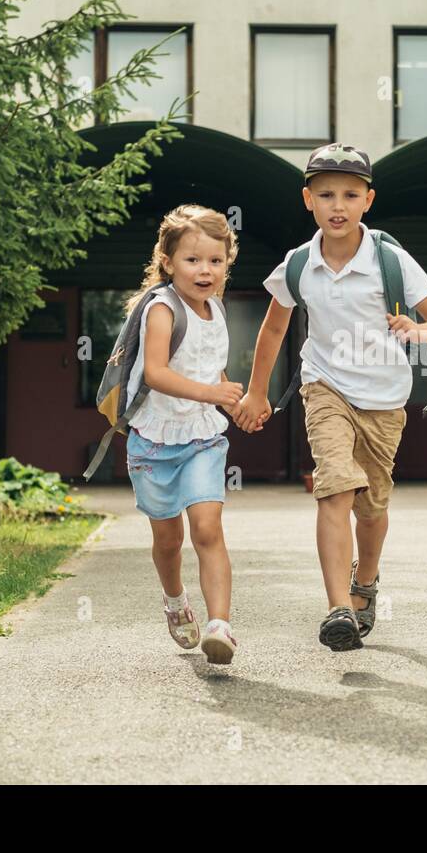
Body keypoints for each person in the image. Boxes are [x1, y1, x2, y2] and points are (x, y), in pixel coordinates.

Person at [234, 144, 427, 651]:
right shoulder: (299, 264)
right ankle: (338, 608)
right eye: (327, 194)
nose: (338, 205)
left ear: (368, 200)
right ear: (307, 200)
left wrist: (419, 331)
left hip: (384, 398)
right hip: (324, 385)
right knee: (335, 488)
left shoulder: (389, 260)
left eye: (350, 195)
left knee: (372, 508)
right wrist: (255, 393)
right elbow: (273, 331)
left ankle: (366, 581)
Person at [124, 204, 243, 664]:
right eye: (192, 260)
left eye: (215, 260)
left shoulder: (216, 308)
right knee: (168, 540)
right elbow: (155, 373)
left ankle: (220, 627)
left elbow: (210, 367)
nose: (204, 270)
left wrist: (234, 399)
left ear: (227, 263)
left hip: (203, 439)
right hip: (154, 441)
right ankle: (175, 602)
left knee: (208, 529)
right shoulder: (162, 309)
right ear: (168, 261)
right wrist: (212, 392)